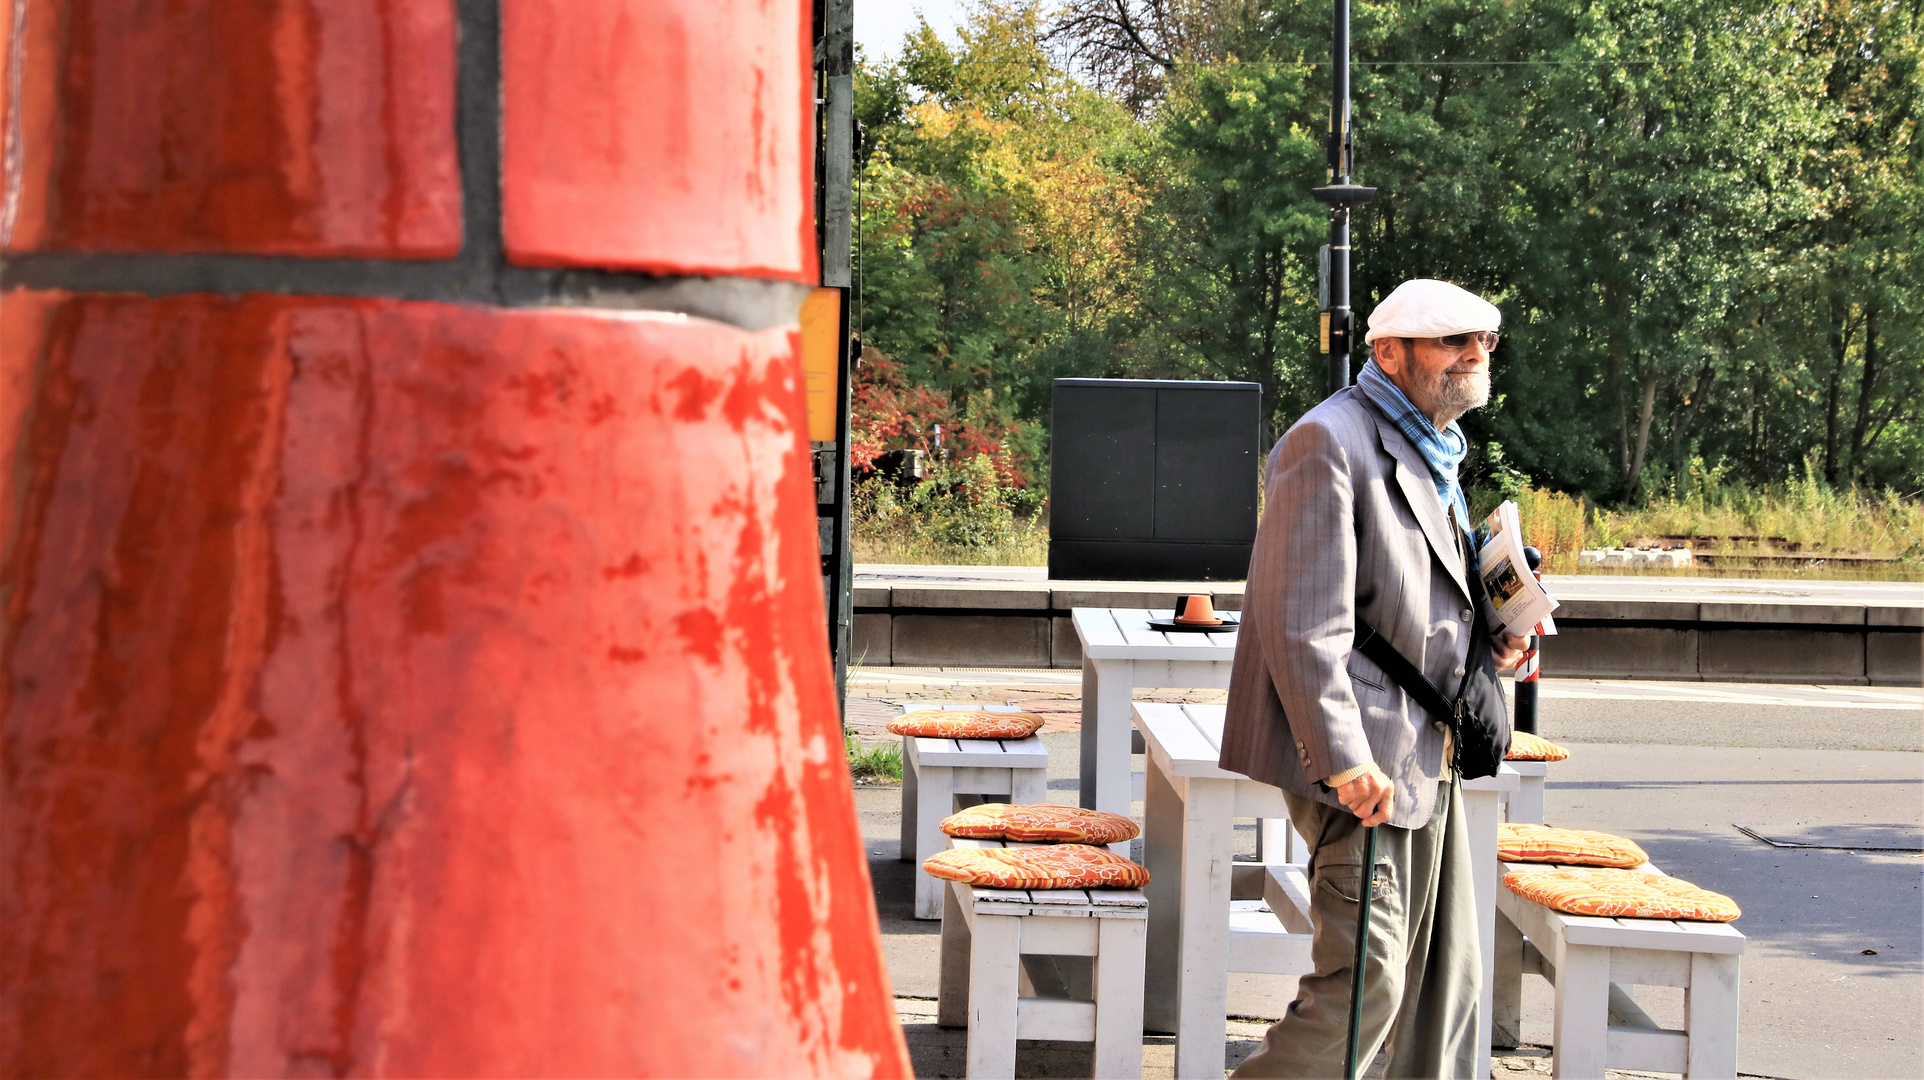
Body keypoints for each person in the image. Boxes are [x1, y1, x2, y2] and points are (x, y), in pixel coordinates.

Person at [1219, 278, 1529, 1078]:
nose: (1475, 354)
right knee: (1366, 983)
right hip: (1366, 758)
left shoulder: (1433, 446)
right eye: (1452, 340)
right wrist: (1343, 759)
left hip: (1428, 749)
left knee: (1438, 983)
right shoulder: (1327, 441)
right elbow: (1301, 620)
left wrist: (1495, 641)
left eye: (1484, 340)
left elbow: (1418, 597)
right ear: (1389, 353)